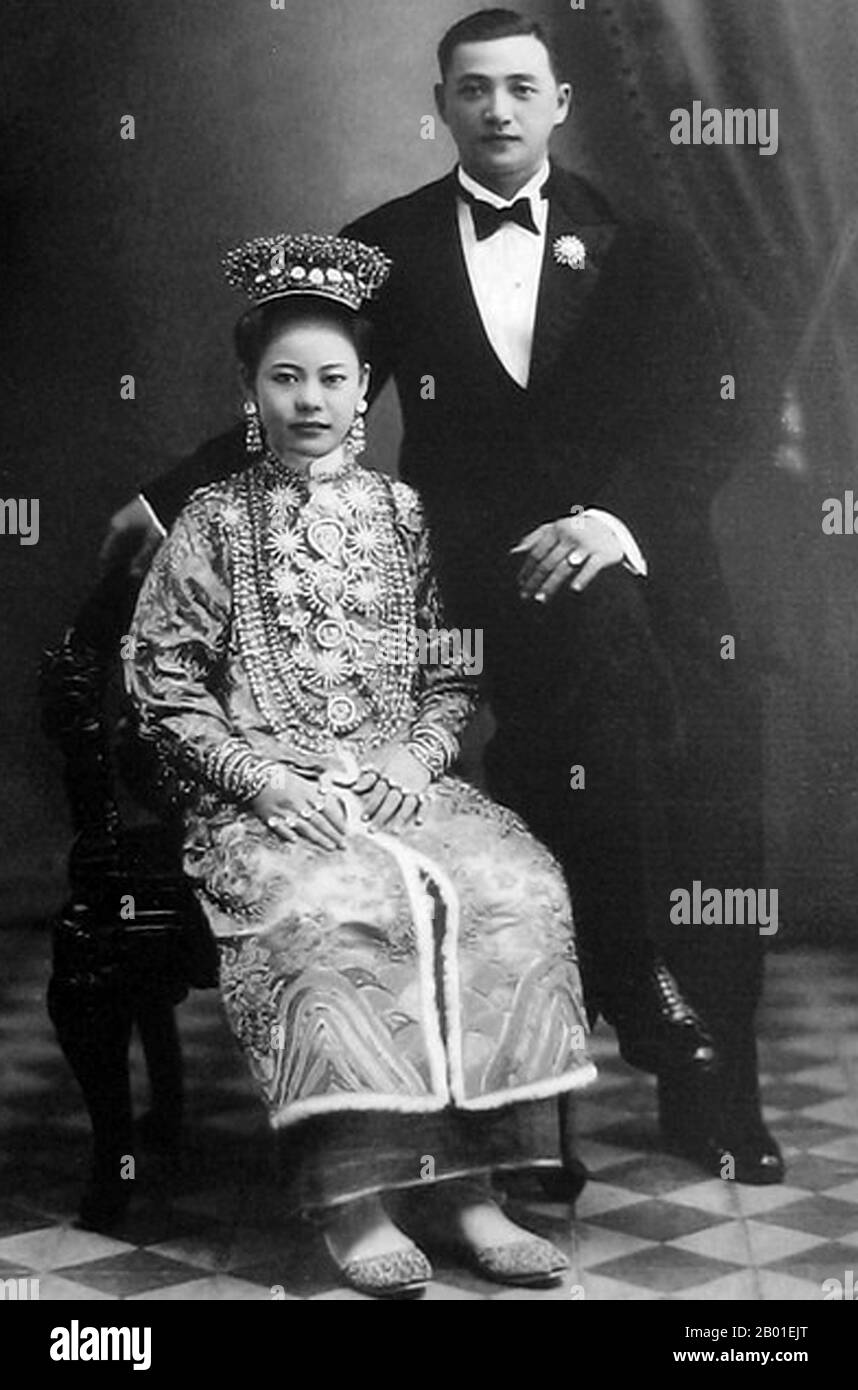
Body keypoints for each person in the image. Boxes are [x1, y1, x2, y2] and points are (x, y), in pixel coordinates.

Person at [105, 8, 781, 1183]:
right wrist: (166, 500)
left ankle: (712, 1089)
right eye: (474, 90)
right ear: (445, 103)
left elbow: (713, 410)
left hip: (633, 576)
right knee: (560, 764)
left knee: (704, 782)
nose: (500, 111)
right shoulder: (390, 246)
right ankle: (543, 1090)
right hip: (464, 597)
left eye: (522, 88)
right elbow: (306, 389)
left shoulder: (647, 243)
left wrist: (609, 524)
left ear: (560, 103)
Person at [123, 232, 595, 1298]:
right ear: (250, 389)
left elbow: (446, 672)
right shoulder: (210, 520)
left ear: (364, 390)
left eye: (333, 378)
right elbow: (163, 687)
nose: (310, 400)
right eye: (285, 378)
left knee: (510, 886)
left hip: (397, 786)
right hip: (264, 797)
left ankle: (474, 1190)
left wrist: (424, 754)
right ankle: (354, 1199)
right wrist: (264, 782)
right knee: (336, 910)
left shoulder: (401, 513)